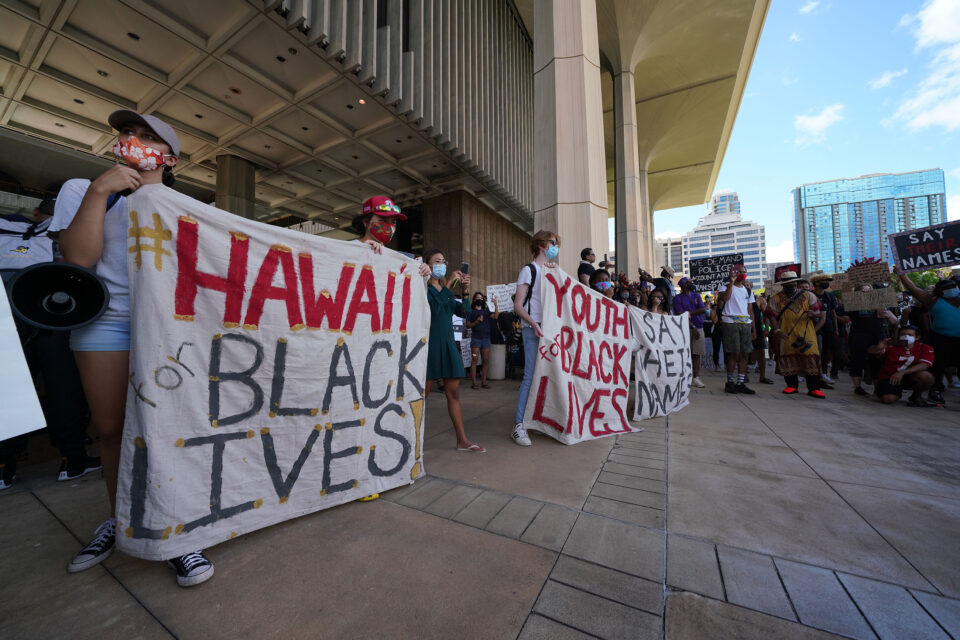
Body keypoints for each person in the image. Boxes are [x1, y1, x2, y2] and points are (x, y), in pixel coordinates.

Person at [52, 110, 219, 586]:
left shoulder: (183, 206)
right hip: (105, 324)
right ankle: (120, 519)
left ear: (170, 157)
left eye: (149, 137)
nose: (135, 140)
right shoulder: (82, 190)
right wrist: (101, 190)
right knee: (111, 431)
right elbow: (79, 259)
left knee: (167, 429)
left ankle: (176, 531)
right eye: (129, 132)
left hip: (166, 330)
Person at [0, 198, 98, 490]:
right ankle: (72, 459)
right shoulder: (65, 234)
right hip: (54, 314)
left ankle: (4, 468)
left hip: (8, 312)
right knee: (63, 386)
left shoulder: (7, 230)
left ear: (35, 212)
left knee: (11, 391)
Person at [422, 250, 484, 452]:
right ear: (427, 265)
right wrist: (449, 285)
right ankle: (411, 439)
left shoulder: (446, 291)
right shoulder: (423, 289)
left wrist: (465, 291)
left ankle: (462, 440)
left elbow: (465, 313)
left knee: (454, 393)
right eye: (436, 261)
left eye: (443, 261)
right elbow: (436, 309)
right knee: (423, 394)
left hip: (448, 344)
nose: (441, 264)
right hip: (429, 345)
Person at [511, 230, 559, 447]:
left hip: (550, 328)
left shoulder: (553, 271)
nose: (555, 246)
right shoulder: (529, 270)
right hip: (534, 328)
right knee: (530, 376)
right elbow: (518, 305)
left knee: (549, 375)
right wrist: (533, 324)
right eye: (552, 242)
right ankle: (519, 424)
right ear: (541, 244)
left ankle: (538, 418)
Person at [893, 266, 960, 405]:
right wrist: (902, 275)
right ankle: (934, 391)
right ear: (941, 292)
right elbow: (913, 289)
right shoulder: (933, 301)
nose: (953, 289)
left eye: (954, 287)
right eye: (949, 288)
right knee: (937, 367)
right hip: (940, 339)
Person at [766, 271, 826, 398]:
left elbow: (820, 313)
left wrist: (813, 315)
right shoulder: (775, 298)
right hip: (786, 333)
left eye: (793, 282)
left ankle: (814, 388)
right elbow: (772, 316)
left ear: (796, 282)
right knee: (788, 357)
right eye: (788, 283)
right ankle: (792, 385)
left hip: (807, 333)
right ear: (783, 285)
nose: (791, 285)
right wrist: (777, 330)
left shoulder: (809, 295)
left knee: (811, 358)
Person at [836, 284, 898, 396]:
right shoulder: (853, 304)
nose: (866, 292)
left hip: (876, 335)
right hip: (859, 335)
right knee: (857, 361)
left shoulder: (880, 304)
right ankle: (858, 387)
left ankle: (877, 388)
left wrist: (889, 315)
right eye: (863, 290)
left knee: (877, 361)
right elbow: (846, 296)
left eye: (869, 290)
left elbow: (894, 321)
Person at [868, 325, 936, 406]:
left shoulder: (925, 347)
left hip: (910, 377)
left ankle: (916, 396)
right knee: (888, 399)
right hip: (890, 377)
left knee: (926, 376)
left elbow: (924, 365)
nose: (906, 337)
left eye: (910, 335)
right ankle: (891, 391)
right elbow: (872, 351)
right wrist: (878, 348)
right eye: (903, 334)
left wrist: (903, 372)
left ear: (917, 337)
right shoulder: (892, 346)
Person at [717, 264, 756, 394]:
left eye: (744, 272)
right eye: (740, 272)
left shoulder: (748, 290)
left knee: (744, 353)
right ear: (733, 272)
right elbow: (725, 298)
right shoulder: (725, 287)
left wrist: (753, 328)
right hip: (730, 322)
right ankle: (730, 382)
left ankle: (740, 382)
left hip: (745, 324)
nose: (743, 274)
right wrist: (732, 283)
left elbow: (750, 310)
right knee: (733, 353)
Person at [672, 278, 706, 388]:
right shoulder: (677, 298)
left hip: (699, 327)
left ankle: (695, 378)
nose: (690, 285)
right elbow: (680, 314)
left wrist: (688, 313)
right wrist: (693, 326)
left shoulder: (696, 296)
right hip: (684, 329)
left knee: (696, 354)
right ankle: (683, 377)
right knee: (683, 353)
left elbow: (703, 309)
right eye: (687, 283)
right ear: (683, 286)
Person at [812, 275, 841, 385]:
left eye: (826, 281)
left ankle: (823, 373)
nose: (825, 283)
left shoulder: (830, 296)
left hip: (828, 327)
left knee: (826, 351)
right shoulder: (810, 296)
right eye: (822, 281)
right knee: (816, 350)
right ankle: (813, 373)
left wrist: (836, 328)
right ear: (816, 284)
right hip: (814, 327)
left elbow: (833, 313)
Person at [466, 292, 499, 389]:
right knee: (474, 361)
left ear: (483, 300)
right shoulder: (471, 312)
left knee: (485, 361)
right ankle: (474, 383)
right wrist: (476, 321)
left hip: (486, 339)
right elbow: (467, 325)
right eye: (477, 298)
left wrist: (496, 305)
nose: (479, 299)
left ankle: (484, 382)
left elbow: (496, 316)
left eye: (481, 298)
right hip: (476, 339)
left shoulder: (486, 311)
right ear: (474, 300)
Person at [746, 283, 774, 384]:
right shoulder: (740, 299)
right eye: (745, 285)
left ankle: (762, 377)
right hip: (745, 328)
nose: (747, 286)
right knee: (744, 353)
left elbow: (767, 315)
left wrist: (767, 327)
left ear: (751, 287)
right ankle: (744, 375)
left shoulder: (759, 300)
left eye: (748, 285)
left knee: (761, 353)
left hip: (758, 329)